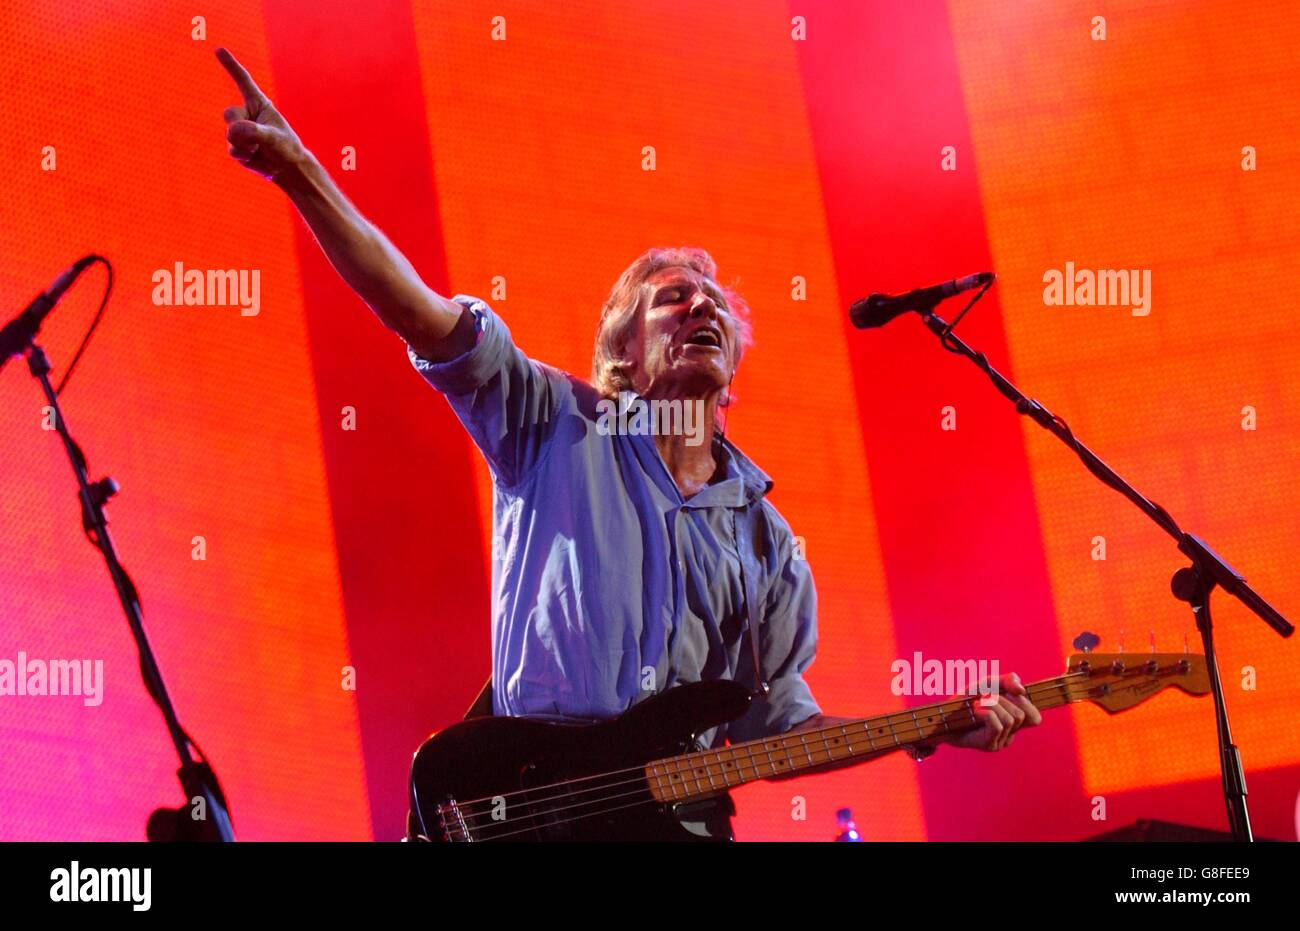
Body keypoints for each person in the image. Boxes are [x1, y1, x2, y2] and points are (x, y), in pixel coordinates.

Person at [215, 48, 1042, 838]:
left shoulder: (769, 544)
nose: (702, 309)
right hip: (521, 813)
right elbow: (416, 310)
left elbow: (781, 728)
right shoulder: (554, 424)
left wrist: (932, 728)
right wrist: (298, 171)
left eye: (714, 302)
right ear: (625, 353)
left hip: (674, 826)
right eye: (672, 299)